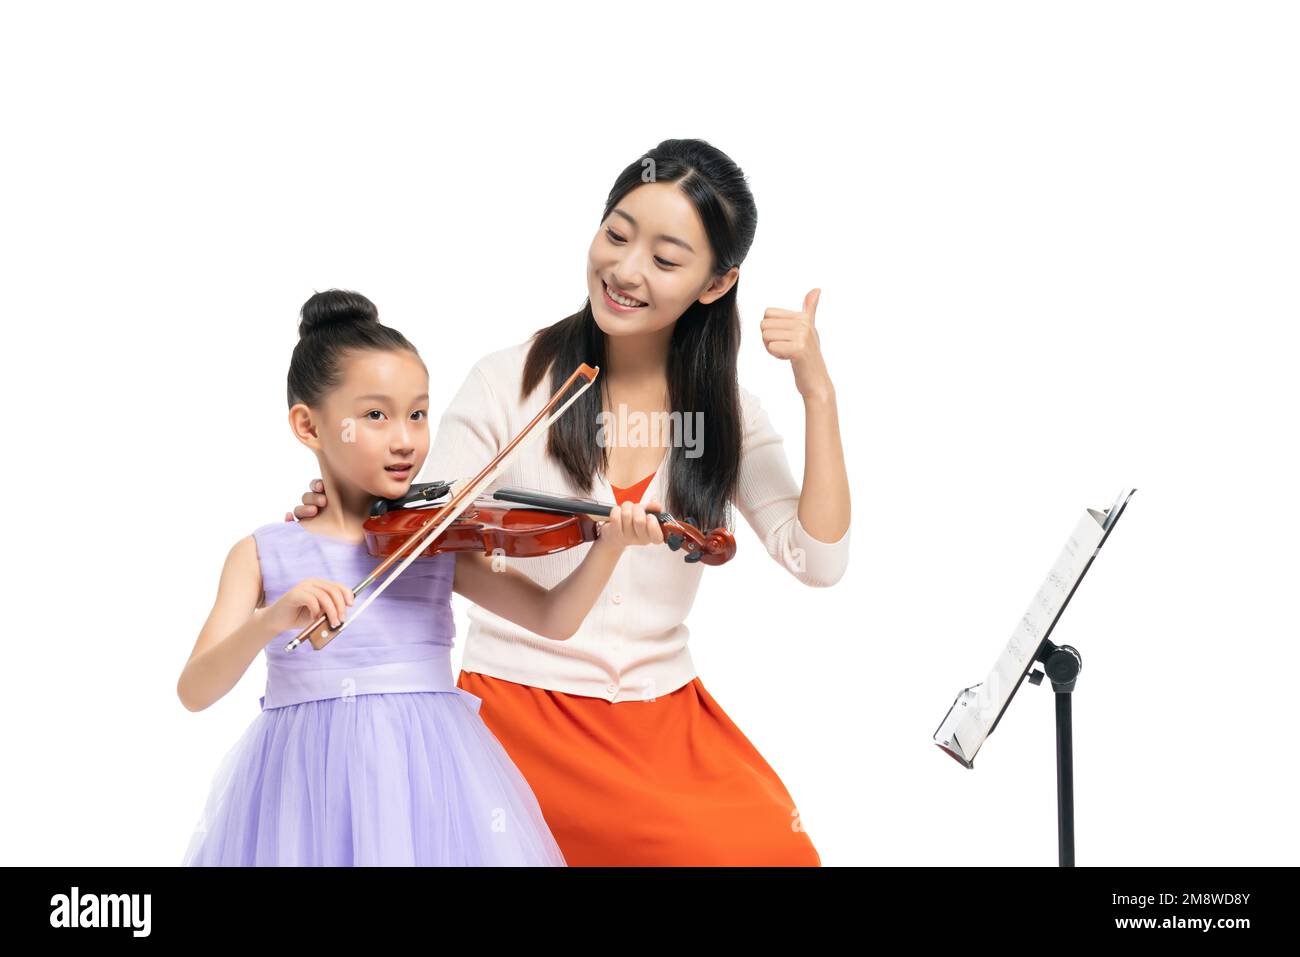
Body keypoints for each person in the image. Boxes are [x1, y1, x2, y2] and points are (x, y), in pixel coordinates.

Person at [292, 139, 852, 865]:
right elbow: (424, 532)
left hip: (667, 717)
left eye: (665, 257)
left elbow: (820, 560)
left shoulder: (725, 414)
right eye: (617, 234)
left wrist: (818, 391)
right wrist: (349, 503)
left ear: (716, 284)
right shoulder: (509, 382)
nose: (624, 269)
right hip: (518, 711)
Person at [179, 289, 665, 866]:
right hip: (301, 789)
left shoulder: (432, 543)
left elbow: (552, 619)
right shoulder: (262, 552)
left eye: (417, 413)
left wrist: (608, 547)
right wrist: (271, 619)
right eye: (376, 415)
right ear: (309, 427)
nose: (406, 438)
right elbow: (195, 691)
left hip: (430, 776)